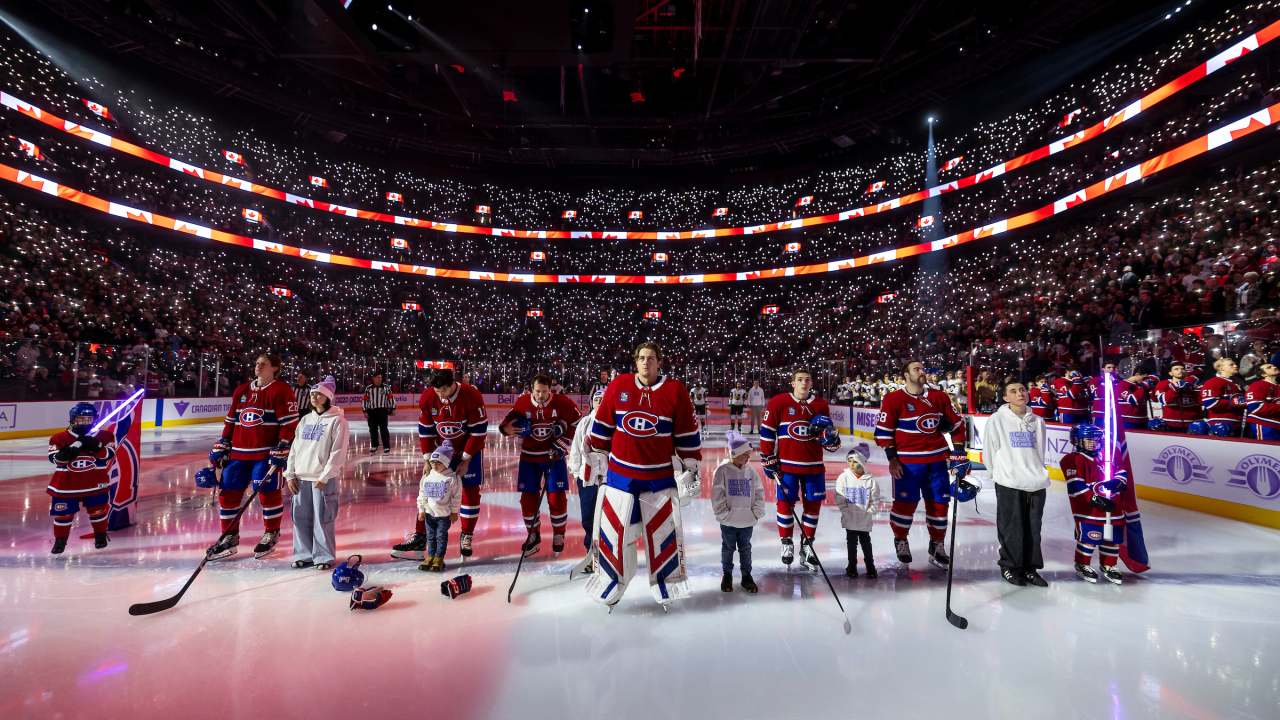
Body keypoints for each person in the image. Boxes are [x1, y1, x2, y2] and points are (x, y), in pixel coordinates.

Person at [582, 342, 702, 608]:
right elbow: (602, 426)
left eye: (651, 358)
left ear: (660, 362)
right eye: (641, 358)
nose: (646, 363)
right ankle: (609, 581)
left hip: (659, 478)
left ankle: (668, 583)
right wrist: (595, 457)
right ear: (635, 362)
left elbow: (685, 433)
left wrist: (691, 466)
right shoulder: (619, 385)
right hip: (619, 476)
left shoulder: (675, 390)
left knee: (663, 534)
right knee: (614, 534)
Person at [874, 360, 967, 570]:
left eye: (923, 368)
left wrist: (959, 452)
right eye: (916, 369)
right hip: (907, 464)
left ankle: (937, 545)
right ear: (905, 375)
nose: (922, 372)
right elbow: (882, 432)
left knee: (939, 505)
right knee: (905, 506)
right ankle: (901, 540)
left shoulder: (939, 397)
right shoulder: (893, 399)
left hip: (937, 462)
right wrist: (892, 459)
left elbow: (958, 426)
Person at [208, 354, 299, 560]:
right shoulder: (241, 390)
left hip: (265, 455)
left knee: (268, 494)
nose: (258, 366)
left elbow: (290, 424)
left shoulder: (281, 390)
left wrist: (283, 445)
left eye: (263, 364)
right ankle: (228, 537)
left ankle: (271, 533)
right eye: (257, 363)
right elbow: (231, 421)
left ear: (275, 368)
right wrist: (223, 442)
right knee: (228, 494)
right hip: (238, 454)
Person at [392, 369, 487, 560]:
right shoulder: (428, 396)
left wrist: (466, 459)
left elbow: (478, 432)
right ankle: (420, 537)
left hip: (468, 449)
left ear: (453, 384)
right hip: (441, 452)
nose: (440, 394)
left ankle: (466, 535)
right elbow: (426, 431)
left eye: (443, 390)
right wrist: (428, 459)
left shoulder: (471, 395)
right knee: (430, 489)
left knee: (469, 491)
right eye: (437, 391)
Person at [760, 368, 841, 569]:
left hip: (814, 466)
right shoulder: (778, 402)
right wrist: (768, 457)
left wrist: (831, 439)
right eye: (799, 380)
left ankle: (807, 546)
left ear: (812, 383)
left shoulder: (821, 405)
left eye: (807, 379)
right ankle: (786, 543)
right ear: (793, 383)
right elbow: (767, 431)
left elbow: (826, 440)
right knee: (785, 505)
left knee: (813, 507)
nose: (804, 383)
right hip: (786, 466)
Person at [499, 374, 581, 555]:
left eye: (545, 391)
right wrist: (505, 428)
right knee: (528, 498)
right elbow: (507, 421)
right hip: (529, 458)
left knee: (556, 497)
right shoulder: (522, 402)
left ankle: (559, 533)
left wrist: (563, 442)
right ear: (531, 389)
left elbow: (578, 421)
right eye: (537, 391)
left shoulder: (562, 401)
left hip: (554, 458)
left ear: (550, 389)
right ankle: (533, 535)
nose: (541, 395)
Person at [984, 379, 1050, 587]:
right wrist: (1001, 475)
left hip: (1036, 481)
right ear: (1005, 398)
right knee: (1012, 527)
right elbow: (989, 451)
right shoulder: (997, 420)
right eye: (1013, 391)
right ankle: (1010, 567)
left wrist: (1037, 471)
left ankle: (1030, 568)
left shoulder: (1037, 421)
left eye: (1022, 389)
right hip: (1009, 482)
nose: (1020, 393)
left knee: (1033, 529)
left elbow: (1040, 451)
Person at [285, 376, 348, 570]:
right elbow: (295, 448)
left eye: (318, 393)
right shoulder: (305, 419)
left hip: (322, 479)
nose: (314, 396)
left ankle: (324, 556)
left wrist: (325, 476)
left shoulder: (338, 421)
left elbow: (338, 451)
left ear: (328, 397)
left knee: (323, 518)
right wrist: (290, 474)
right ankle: (303, 554)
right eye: (312, 393)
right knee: (300, 517)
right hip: (301, 476)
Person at [1061, 424, 1129, 585]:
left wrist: (1119, 482)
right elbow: (1075, 485)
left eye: (1097, 439)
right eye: (1089, 440)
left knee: (1112, 538)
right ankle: (1082, 563)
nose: (1095, 443)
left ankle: (1109, 565)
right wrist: (1094, 499)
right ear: (1076, 440)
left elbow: (1121, 471)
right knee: (1089, 537)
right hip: (1088, 510)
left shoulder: (1107, 455)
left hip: (1114, 508)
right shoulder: (1071, 459)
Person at [46, 403, 117, 554]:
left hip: (95, 483)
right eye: (80, 419)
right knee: (63, 514)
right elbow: (54, 459)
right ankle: (60, 541)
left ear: (94, 420)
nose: (84, 422)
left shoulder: (106, 436)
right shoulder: (59, 438)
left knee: (98, 512)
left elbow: (109, 456)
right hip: (66, 484)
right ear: (73, 419)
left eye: (87, 419)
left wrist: (98, 447)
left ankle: (100, 536)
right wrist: (62, 456)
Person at [711, 430, 765, 593]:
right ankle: (727, 574)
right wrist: (724, 515)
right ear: (735, 453)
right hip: (728, 522)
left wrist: (756, 513)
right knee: (727, 548)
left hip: (747, 521)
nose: (749, 457)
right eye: (746, 454)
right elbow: (717, 495)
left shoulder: (751, 472)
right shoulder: (723, 471)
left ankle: (746, 576)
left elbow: (759, 492)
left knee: (745, 549)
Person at [566, 389, 606, 567]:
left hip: (608, 478)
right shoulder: (585, 422)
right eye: (597, 399)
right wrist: (576, 473)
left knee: (607, 517)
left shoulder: (613, 423)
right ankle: (591, 552)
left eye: (603, 399)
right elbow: (575, 448)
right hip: (586, 478)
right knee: (588, 517)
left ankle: (608, 554)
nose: (599, 402)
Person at [415, 440, 462, 572]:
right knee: (430, 537)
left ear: (446, 463)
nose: (434, 465)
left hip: (444, 515)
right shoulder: (427, 477)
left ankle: (439, 558)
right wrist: (421, 510)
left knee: (441, 537)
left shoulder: (452, 478)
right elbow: (422, 494)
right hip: (430, 514)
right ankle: (430, 557)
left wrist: (454, 511)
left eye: (438, 462)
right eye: (432, 462)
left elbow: (456, 497)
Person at [834, 447, 879, 579]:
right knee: (851, 542)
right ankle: (852, 564)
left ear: (862, 462)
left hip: (864, 518)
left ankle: (870, 565)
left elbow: (875, 498)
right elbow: (839, 496)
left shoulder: (870, 480)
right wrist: (845, 511)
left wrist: (869, 511)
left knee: (866, 541)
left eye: (855, 461)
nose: (851, 464)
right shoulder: (843, 477)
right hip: (850, 517)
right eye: (849, 461)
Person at [1201, 358, 1247, 436]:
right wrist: (1234, 402)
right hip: (1221, 424)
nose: (1235, 366)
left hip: (1239, 423)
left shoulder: (1238, 383)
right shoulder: (1213, 382)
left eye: (1235, 364)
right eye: (1231, 365)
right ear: (1221, 368)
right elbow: (1209, 403)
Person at [1155, 362, 1202, 432]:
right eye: (1176, 369)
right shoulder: (1164, 384)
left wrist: (1196, 389)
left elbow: (1202, 402)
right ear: (1171, 373)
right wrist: (1175, 387)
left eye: (1182, 369)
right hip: (1172, 423)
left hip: (1195, 423)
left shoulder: (1194, 383)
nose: (1180, 371)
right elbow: (1164, 400)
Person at [361, 370, 396, 455]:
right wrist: (365, 411)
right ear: (373, 379)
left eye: (381, 378)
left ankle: (386, 447)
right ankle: (374, 446)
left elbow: (391, 398)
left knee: (384, 429)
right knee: (373, 430)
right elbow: (365, 400)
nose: (380, 379)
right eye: (378, 378)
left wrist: (393, 408)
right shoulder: (369, 388)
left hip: (382, 411)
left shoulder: (386, 387)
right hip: (372, 412)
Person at [1246, 363, 1280, 440]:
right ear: (1263, 374)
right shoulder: (1258, 385)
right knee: (1266, 451)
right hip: (1265, 424)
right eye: (1269, 367)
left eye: (1274, 366)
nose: (1274, 367)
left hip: (1277, 425)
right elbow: (1256, 407)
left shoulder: (1278, 386)